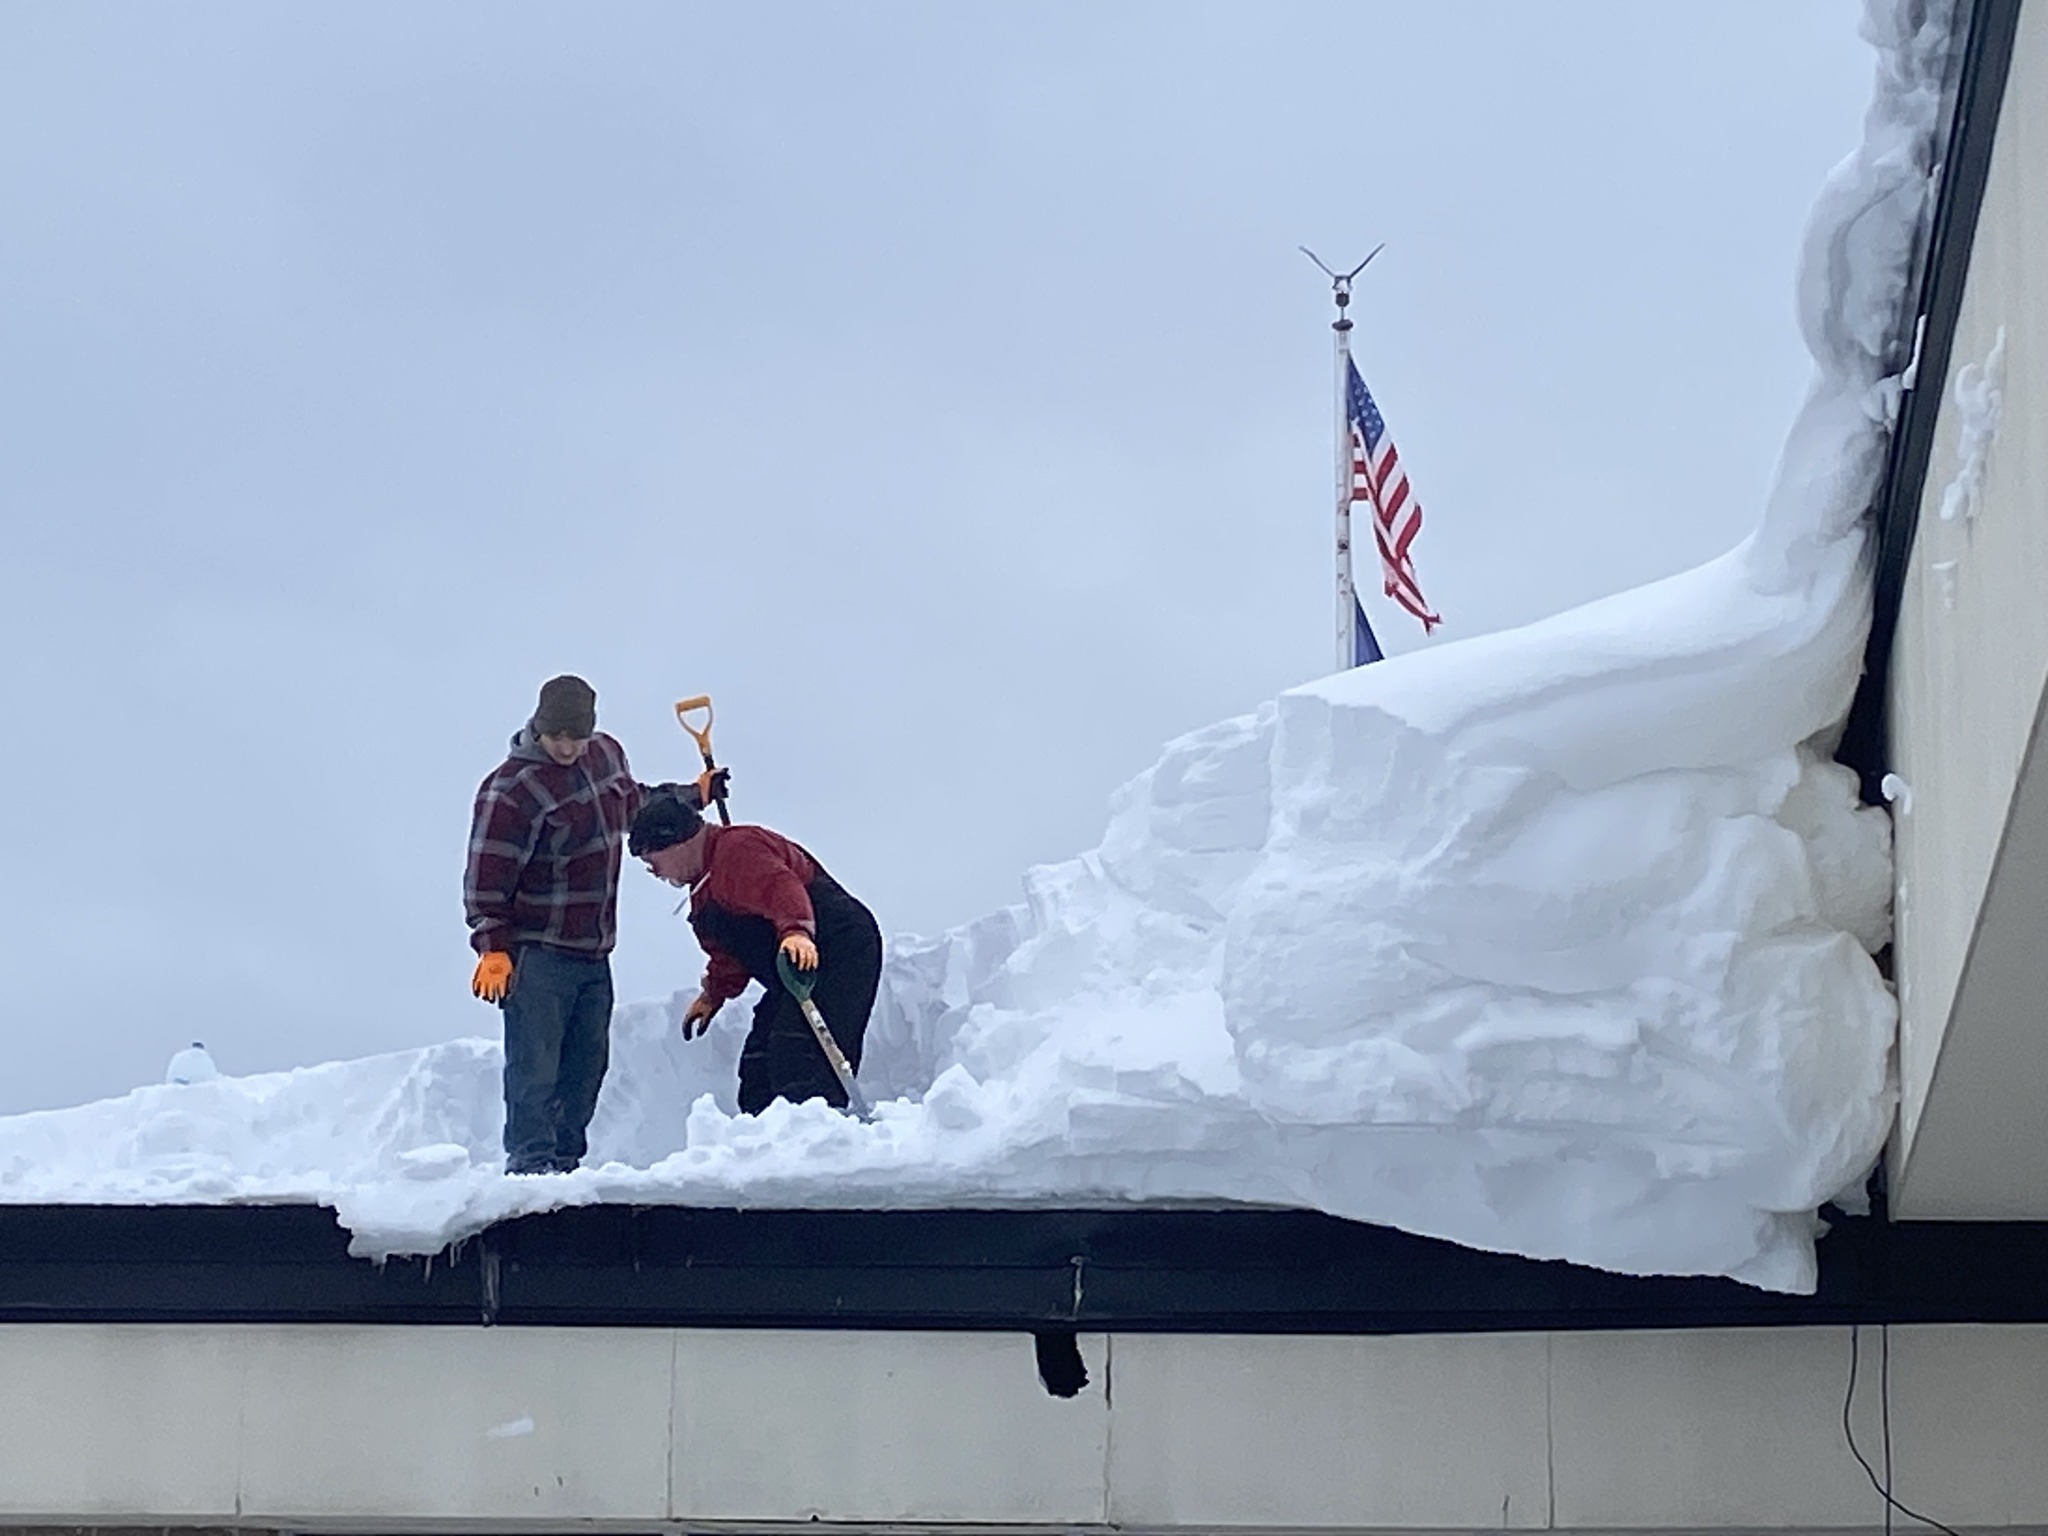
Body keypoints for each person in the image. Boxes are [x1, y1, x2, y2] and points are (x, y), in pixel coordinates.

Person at [464, 674, 721, 1174]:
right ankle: (531, 1168)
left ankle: (566, 1165)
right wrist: (492, 946)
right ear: (539, 728)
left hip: (593, 951)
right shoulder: (510, 791)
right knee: (536, 1070)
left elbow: (632, 804)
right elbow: (486, 876)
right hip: (536, 951)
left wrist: (693, 794)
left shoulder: (604, 755)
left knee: (586, 1068)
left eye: (574, 737)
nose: (565, 747)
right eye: (556, 737)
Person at [628, 790, 882, 1115]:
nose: (655, 873)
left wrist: (796, 932)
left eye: (653, 862)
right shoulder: (704, 897)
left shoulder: (737, 850)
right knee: (759, 1063)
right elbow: (729, 957)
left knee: (799, 1052)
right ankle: (764, 1144)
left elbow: (782, 889)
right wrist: (713, 995)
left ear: (676, 843)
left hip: (839, 950)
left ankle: (820, 1137)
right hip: (791, 973)